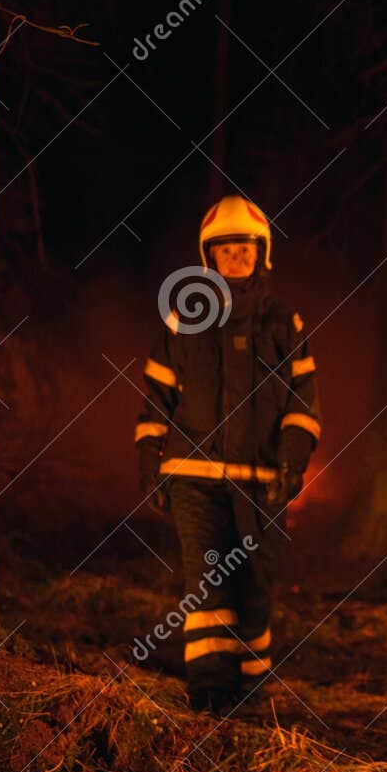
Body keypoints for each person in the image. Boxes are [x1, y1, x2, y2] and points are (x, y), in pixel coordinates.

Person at [136, 195, 320, 711]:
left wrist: (292, 461)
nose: (234, 260)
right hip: (193, 480)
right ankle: (212, 694)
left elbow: (303, 403)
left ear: (261, 254)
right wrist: (148, 458)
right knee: (209, 579)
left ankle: (251, 683)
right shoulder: (183, 319)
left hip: (261, 482)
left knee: (254, 586)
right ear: (208, 258)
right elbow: (157, 393)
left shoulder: (286, 322)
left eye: (243, 250)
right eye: (225, 252)